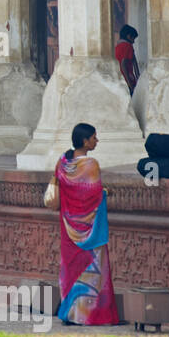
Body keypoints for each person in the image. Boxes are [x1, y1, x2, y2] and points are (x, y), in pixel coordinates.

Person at [52, 123, 120, 326]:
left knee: (71, 268)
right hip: (91, 229)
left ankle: (71, 313)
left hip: (68, 224)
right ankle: (90, 315)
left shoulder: (63, 162)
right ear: (84, 141)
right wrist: (106, 193)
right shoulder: (91, 165)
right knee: (93, 269)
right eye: (93, 138)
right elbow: (93, 196)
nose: (96, 141)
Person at [115, 25, 140, 93]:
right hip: (128, 80)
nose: (133, 42)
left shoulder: (117, 46)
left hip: (119, 79)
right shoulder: (127, 46)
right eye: (133, 39)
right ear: (129, 36)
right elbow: (123, 64)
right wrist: (130, 84)